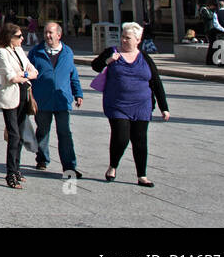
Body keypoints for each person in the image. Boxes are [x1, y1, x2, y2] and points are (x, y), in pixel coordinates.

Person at [91, 21, 169, 187]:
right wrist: (108, 61)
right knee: (121, 137)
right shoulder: (111, 52)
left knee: (140, 139)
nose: (124, 40)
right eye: (123, 37)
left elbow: (156, 82)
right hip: (117, 104)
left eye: (128, 38)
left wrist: (164, 108)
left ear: (138, 39)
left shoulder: (145, 58)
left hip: (142, 105)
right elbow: (95, 66)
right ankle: (113, 166)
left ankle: (142, 175)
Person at [27, 22, 83, 177]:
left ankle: (69, 166)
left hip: (62, 99)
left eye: (51, 32)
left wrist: (78, 93)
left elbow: (73, 74)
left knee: (65, 132)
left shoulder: (67, 52)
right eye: (45, 32)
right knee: (43, 131)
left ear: (59, 35)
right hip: (42, 99)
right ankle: (42, 158)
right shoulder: (35, 52)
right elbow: (27, 74)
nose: (47, 35)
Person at [0, 22, 35, 189]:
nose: (22, 39)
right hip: (10, 97)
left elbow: (34, 70)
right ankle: (10, 173)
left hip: (24, 95)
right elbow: (11, 77)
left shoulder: (18, 50)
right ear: (9, 37)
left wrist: (24, 74)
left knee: (20, 135)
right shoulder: (1, 52)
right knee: (14, 135)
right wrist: (26, 75)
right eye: (18, 36)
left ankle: (17, 169)